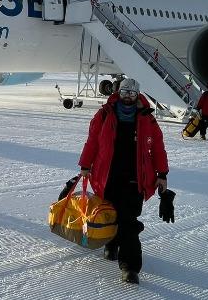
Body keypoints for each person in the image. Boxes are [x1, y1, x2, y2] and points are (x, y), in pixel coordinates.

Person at [78, 78, 169, 285]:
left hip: (135, 178)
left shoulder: (147, 118)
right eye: (125, 92)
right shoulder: (104, 114)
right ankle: (112, 243)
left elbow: (157, 148)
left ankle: (130, 267)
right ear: (118, 92)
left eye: (132, 93)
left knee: (129, 221)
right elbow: (92, 141)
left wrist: (162, 174)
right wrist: (85, 165)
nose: (128, 96)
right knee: (109, 213)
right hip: (107, 175)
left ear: (138, 95)